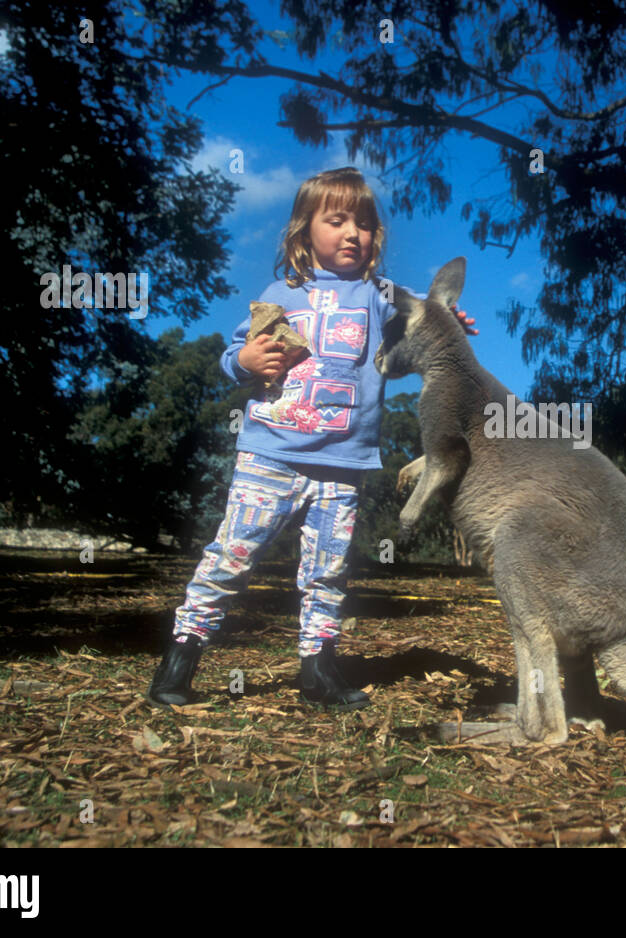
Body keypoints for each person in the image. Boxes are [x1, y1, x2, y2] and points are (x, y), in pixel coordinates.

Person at [147, 166, 475, 711]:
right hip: (269, 455)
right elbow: (236, 355)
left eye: (364, 223)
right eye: (337, 220)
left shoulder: (378, 295)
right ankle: (181, 660)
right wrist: (244, 361)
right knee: (230, 555)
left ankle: (318, 670)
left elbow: (424, 314)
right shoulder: (280, 293)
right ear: (305, 233)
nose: (353, 233)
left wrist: (448, 318)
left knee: (327, 572)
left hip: (341, 466)